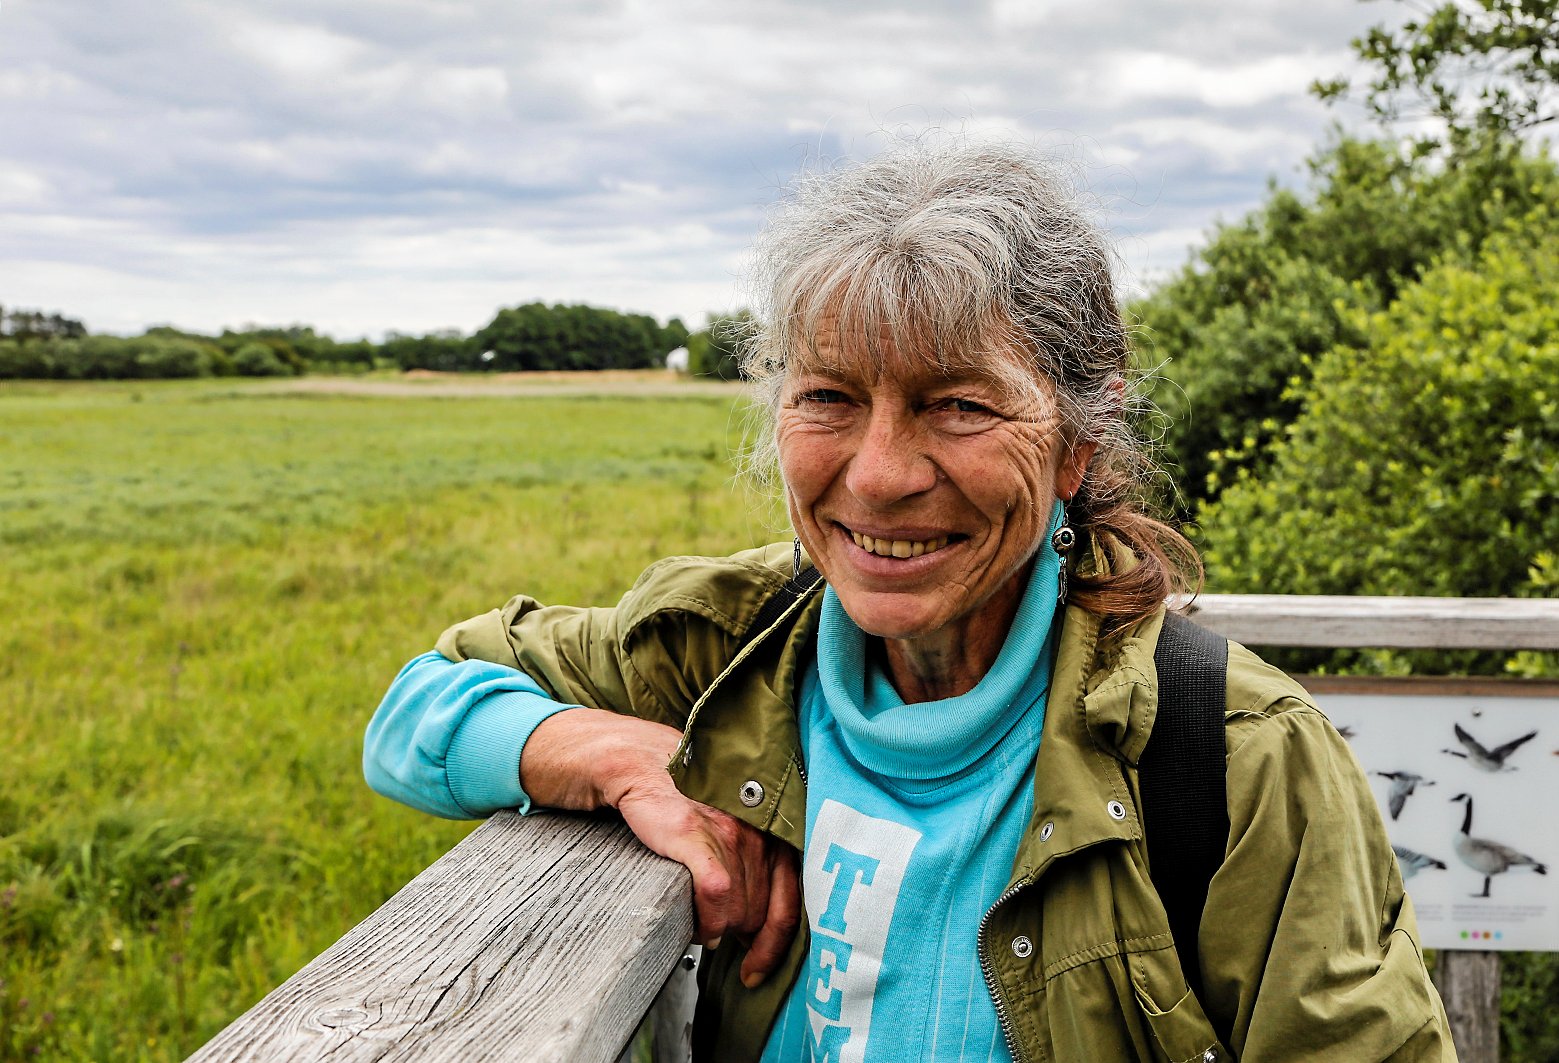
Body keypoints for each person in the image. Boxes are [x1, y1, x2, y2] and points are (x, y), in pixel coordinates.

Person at [364, 139, 1454, 1061]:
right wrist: (617, 757)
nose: (879, 472)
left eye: (957, 404)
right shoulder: (733, 648)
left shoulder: (1232, 757)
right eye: (829, 396)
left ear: (1078, 437)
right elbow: (418, 708)